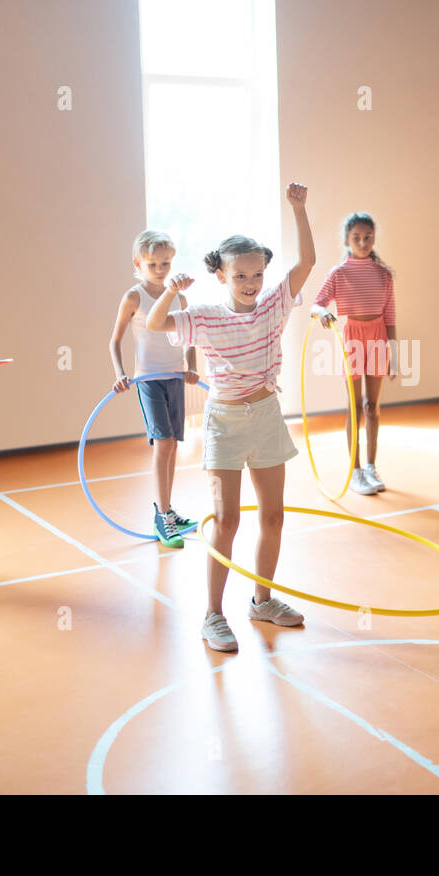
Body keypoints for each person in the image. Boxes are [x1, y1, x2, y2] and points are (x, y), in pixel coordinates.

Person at [145, 182, 317, 652]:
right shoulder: (203, 315)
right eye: (241, 275)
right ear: (222, 275)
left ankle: (262, 601)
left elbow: (306, 265)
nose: (251, 283)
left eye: (257, 274)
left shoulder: (274, 305)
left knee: (274, 517)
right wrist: (170, 291)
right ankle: (213, 615)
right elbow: (155, 324)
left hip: (266, 415)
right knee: (225, 521)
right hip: (224, 421)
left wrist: (299, 209)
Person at [107, 229, 200, 548]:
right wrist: (121, 374)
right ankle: (162, 515)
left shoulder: (179, 296)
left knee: (173, 444)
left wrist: (192, 367)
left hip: (175, 377)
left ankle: (169, 510)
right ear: (138, 263)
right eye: (153, 264)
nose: (161, 270)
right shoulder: (134, 297)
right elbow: (114, 340)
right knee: (163, 442)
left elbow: (188, 337)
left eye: (166, 263)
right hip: (148, 379)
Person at [310, 212, 399, 494]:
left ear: (374, 237)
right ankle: (356, 469)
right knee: (354, 406)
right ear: (347, 240)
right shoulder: (339, 273)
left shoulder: (384, 275)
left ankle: (371, 466)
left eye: (367, 237)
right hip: (352, 336)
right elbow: (316, 304)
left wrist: (393, 355)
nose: (362, 242)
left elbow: (391, 317)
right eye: (357, 238)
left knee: (372, 407)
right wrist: (323, 312)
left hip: (378, 337)